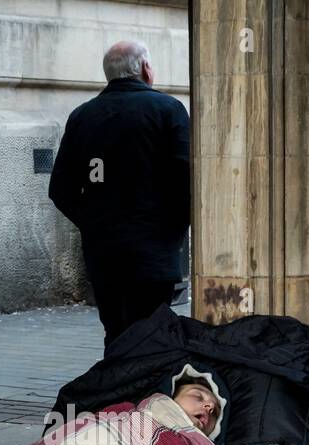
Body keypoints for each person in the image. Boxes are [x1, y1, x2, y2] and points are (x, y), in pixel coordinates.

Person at [48, 40, 191, 348]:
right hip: (154, 253)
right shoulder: (169, 110)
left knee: (115, 334)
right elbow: (187, 181)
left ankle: (115, 393)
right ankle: (146, 394)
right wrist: (174, 229)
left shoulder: (82, 116)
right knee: (153, 336)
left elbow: (60, 189)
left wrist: (94, 222)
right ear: (146, 70)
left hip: (104, 253)